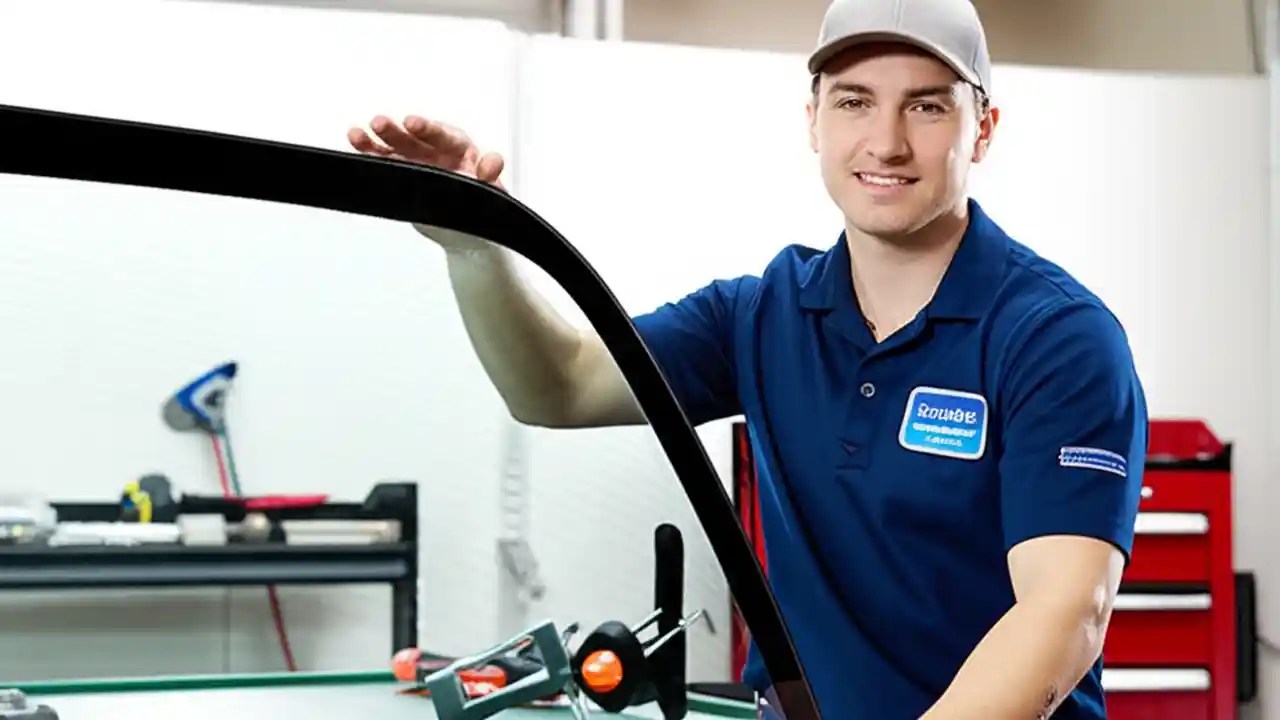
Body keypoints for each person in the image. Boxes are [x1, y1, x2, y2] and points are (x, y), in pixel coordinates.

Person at [348, 0, 1147, 716]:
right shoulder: (761, 312)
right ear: (814, 121)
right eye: (855, 101)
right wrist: (474, 247)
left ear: (986, 127)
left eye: (928, 106)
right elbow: (554, 386)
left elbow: (1063, 612)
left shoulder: (1058, 339)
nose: (887, 141)